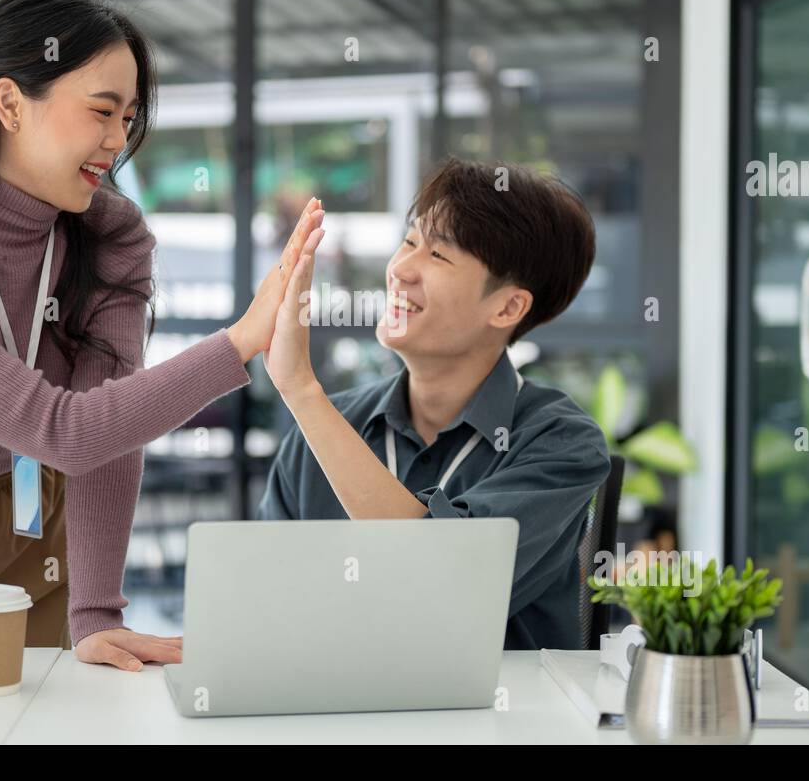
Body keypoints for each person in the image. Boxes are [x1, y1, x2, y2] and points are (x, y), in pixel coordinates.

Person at [0, 0, 325, 672]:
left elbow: (108, 426)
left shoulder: (111, 237)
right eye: (101, 112)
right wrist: (242, 341)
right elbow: (65, 432)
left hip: (30, 517)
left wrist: (97, 611)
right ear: (12, 103)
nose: (118, 141)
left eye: (129, 116)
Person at [257, 156, 610, 650]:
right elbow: (265, 609)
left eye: (438, 256)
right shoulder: (320, 432)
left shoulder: (560, 442)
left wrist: (300, 388)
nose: (400, 270)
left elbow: (439, 585)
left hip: (503, 722)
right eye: (409, 242)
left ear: (508, 306)